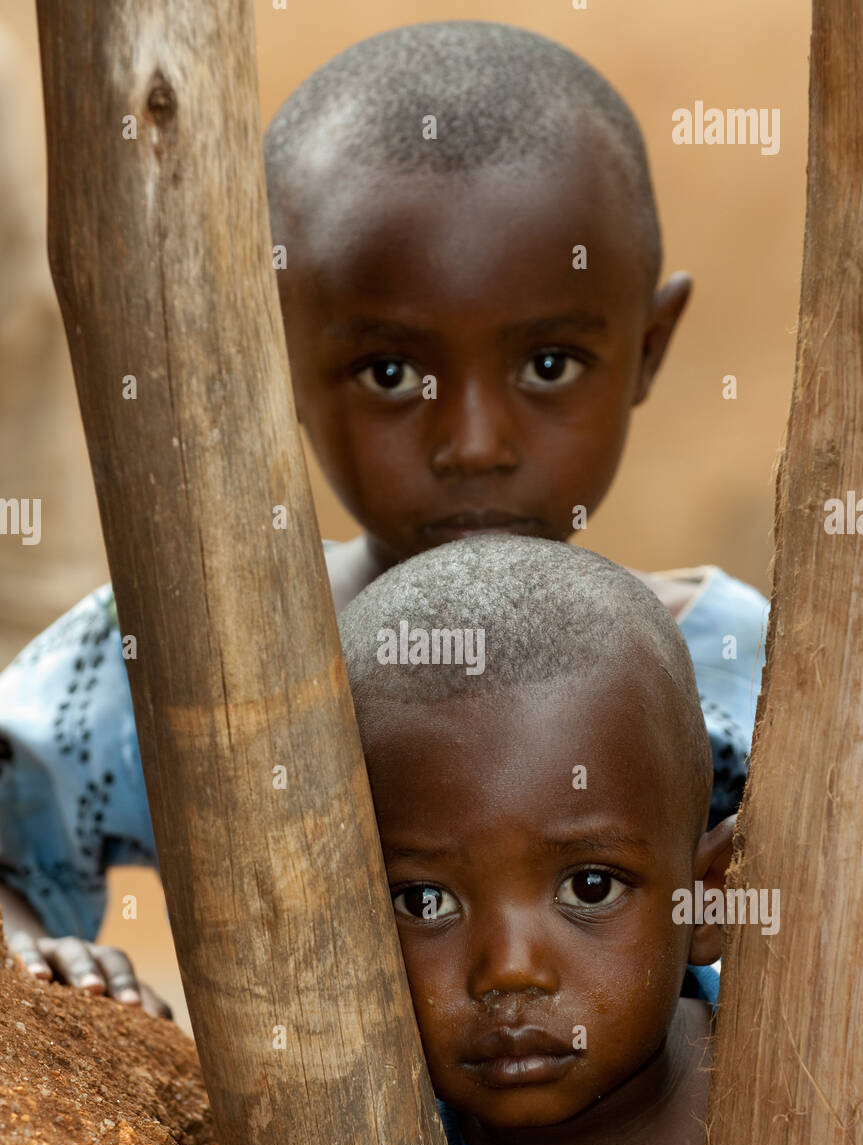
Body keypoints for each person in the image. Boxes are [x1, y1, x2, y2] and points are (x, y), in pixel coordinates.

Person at [0, 22, 765, 1009]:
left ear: (648, 349)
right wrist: (34, 968)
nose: (473, 441)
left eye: (547, 365)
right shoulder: (199, 653)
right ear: (275, 361)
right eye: (390, 372)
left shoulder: (746, 671)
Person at [338, 534, 730, 1145]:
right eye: (424, 901)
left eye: (589, 887)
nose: (508, 968)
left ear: (706, 896)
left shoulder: (809, 1120)